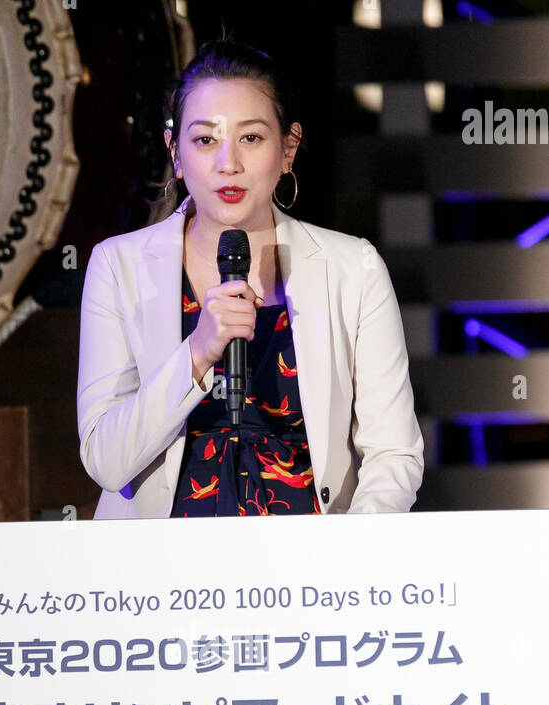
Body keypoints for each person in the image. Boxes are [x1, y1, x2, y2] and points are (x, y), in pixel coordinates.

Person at [77, 38, 424, 519]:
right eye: (205, 140)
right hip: (157, 576)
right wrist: (197, 352)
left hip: (311, 571)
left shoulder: (353, 268)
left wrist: (352, 561)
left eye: (251, 138)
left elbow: (393, 453)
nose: (229, 163)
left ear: (288, 148)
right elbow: (106, 461)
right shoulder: (118, 267)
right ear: (174, 152)